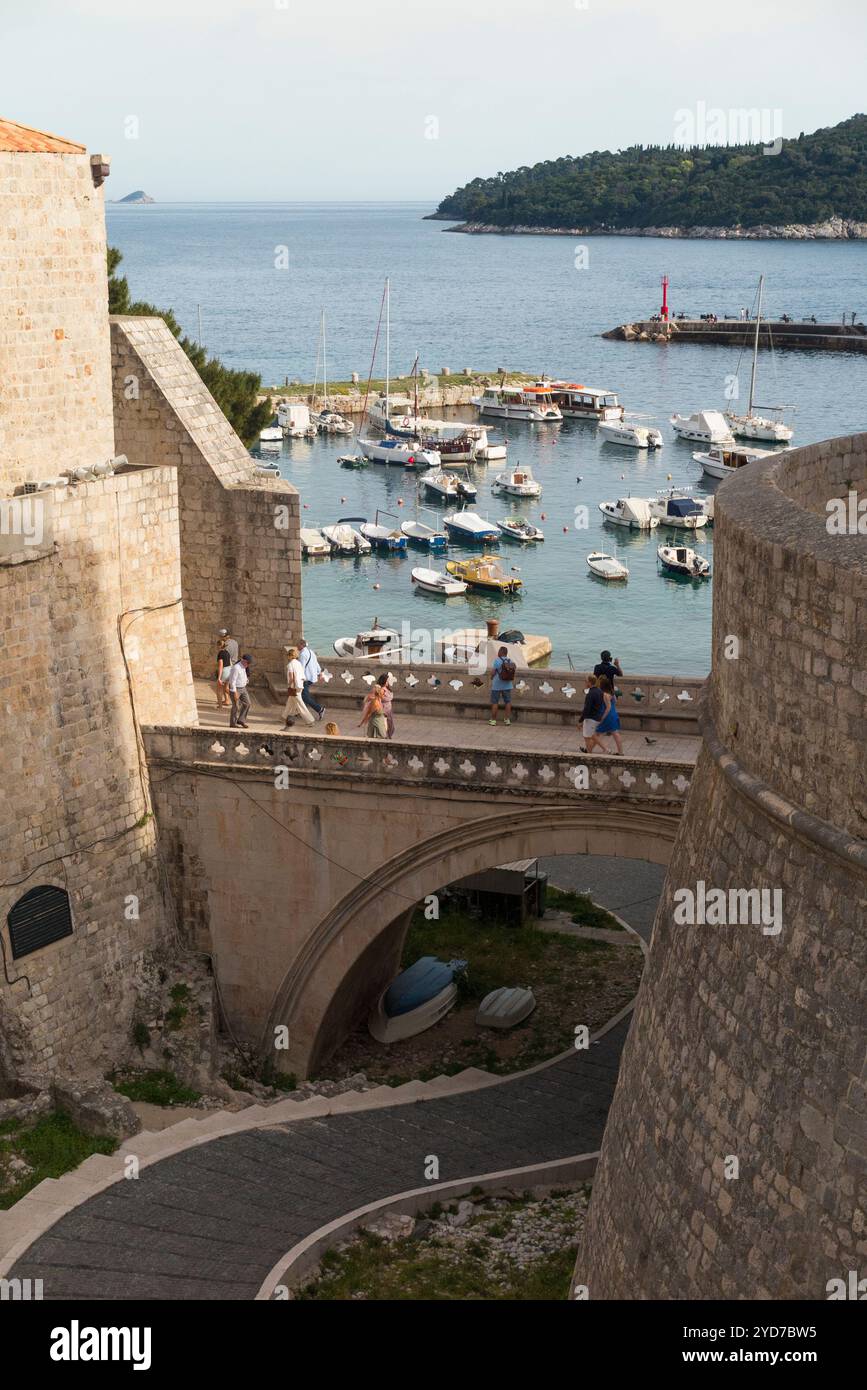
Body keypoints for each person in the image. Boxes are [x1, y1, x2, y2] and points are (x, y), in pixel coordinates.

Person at [283, 646, 315, 729]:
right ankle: (284, 717)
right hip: (300, 685)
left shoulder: (290, 665)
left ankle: (310, 720)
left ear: (290, 656)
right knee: (290, 702)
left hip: (294, 687)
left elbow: (291, 678)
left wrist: (288, 685)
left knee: (300, 704)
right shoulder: (298, 663)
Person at [595, 675, 623, 755]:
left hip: (608, 716)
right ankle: (620, 752)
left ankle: (604, 749)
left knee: (595, 734)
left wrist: (602, 718)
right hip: (614, 714)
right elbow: (615, 702)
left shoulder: (605, 695)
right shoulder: (612, 693)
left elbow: (608, 708)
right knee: (615, 734)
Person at [298, 638, 325, 720]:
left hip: (305, 679)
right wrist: (319, 673)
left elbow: (301, 668)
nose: (296, 646)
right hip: (311, 677)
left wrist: (300, 679)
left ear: (302, 645)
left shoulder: (302, 654)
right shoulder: (311, 652)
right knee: (302, 695)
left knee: (305, 697)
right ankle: (301, 712)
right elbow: (316, 663)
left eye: (298, 644)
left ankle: (320, 709)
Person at [489, 645, 516, 726]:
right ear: (506, 653)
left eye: (499, 651)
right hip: (507, 685)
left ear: (501, 652)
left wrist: (491, 677)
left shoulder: (497, 661)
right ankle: (507, 720)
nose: (498, 652)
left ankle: (493, 720)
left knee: (495, 702)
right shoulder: (510, 661)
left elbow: (493, 672)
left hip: (497, 685)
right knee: (508, 702)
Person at [579, 674, 606, 754]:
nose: (585, 683)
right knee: (591, 736)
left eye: (586, 681)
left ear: (589, 683)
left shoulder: (590, 694)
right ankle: (590, 753)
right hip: (597, 717)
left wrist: (580, 721)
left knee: (587, 737)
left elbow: (586, 709)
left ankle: (591, 754)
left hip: (590, 718)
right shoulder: (600, 691)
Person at [228, 654, 252, 728]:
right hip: (236, 688)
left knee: (247, 703)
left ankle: (241, 720)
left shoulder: (244, 666)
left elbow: (243, 675)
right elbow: (232, 681)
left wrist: (246, 680)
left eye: (249, 663)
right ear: (242, 660)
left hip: (243, 688)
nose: (248, 665)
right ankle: (233, 723)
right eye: (247, 663)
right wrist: (234, 692)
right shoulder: (236, 668)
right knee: (236, 706)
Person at [376, 671, 395, 738]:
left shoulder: (387, 688)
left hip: (389, 710)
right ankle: (385, 737)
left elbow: (390, 697)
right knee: (385, 726)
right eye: (386, 681)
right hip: (383, 710)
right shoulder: (380, 689)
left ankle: (388, 736)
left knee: (391, 726)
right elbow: (382, 699)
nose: (387, 682)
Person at [215, 638, 231, 709]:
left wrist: (219, 678)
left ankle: (220, 706)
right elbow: (230, 663)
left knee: (219, 689)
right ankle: (228, 700)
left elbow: (221, 665)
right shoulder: (227, 652)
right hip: (229, 670)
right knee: (226, 687)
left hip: (224, 671)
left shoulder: (220, 653)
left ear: (219, 646)